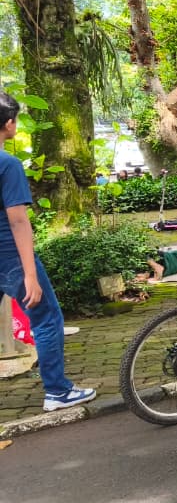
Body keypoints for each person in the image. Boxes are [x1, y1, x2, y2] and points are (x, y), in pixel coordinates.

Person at [0, 92, 97, 412]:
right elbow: (17, 222)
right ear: (10, 124)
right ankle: (58, 391)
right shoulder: (8, 164)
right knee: (46, 317)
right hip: (9, 256)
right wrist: (30, 274)